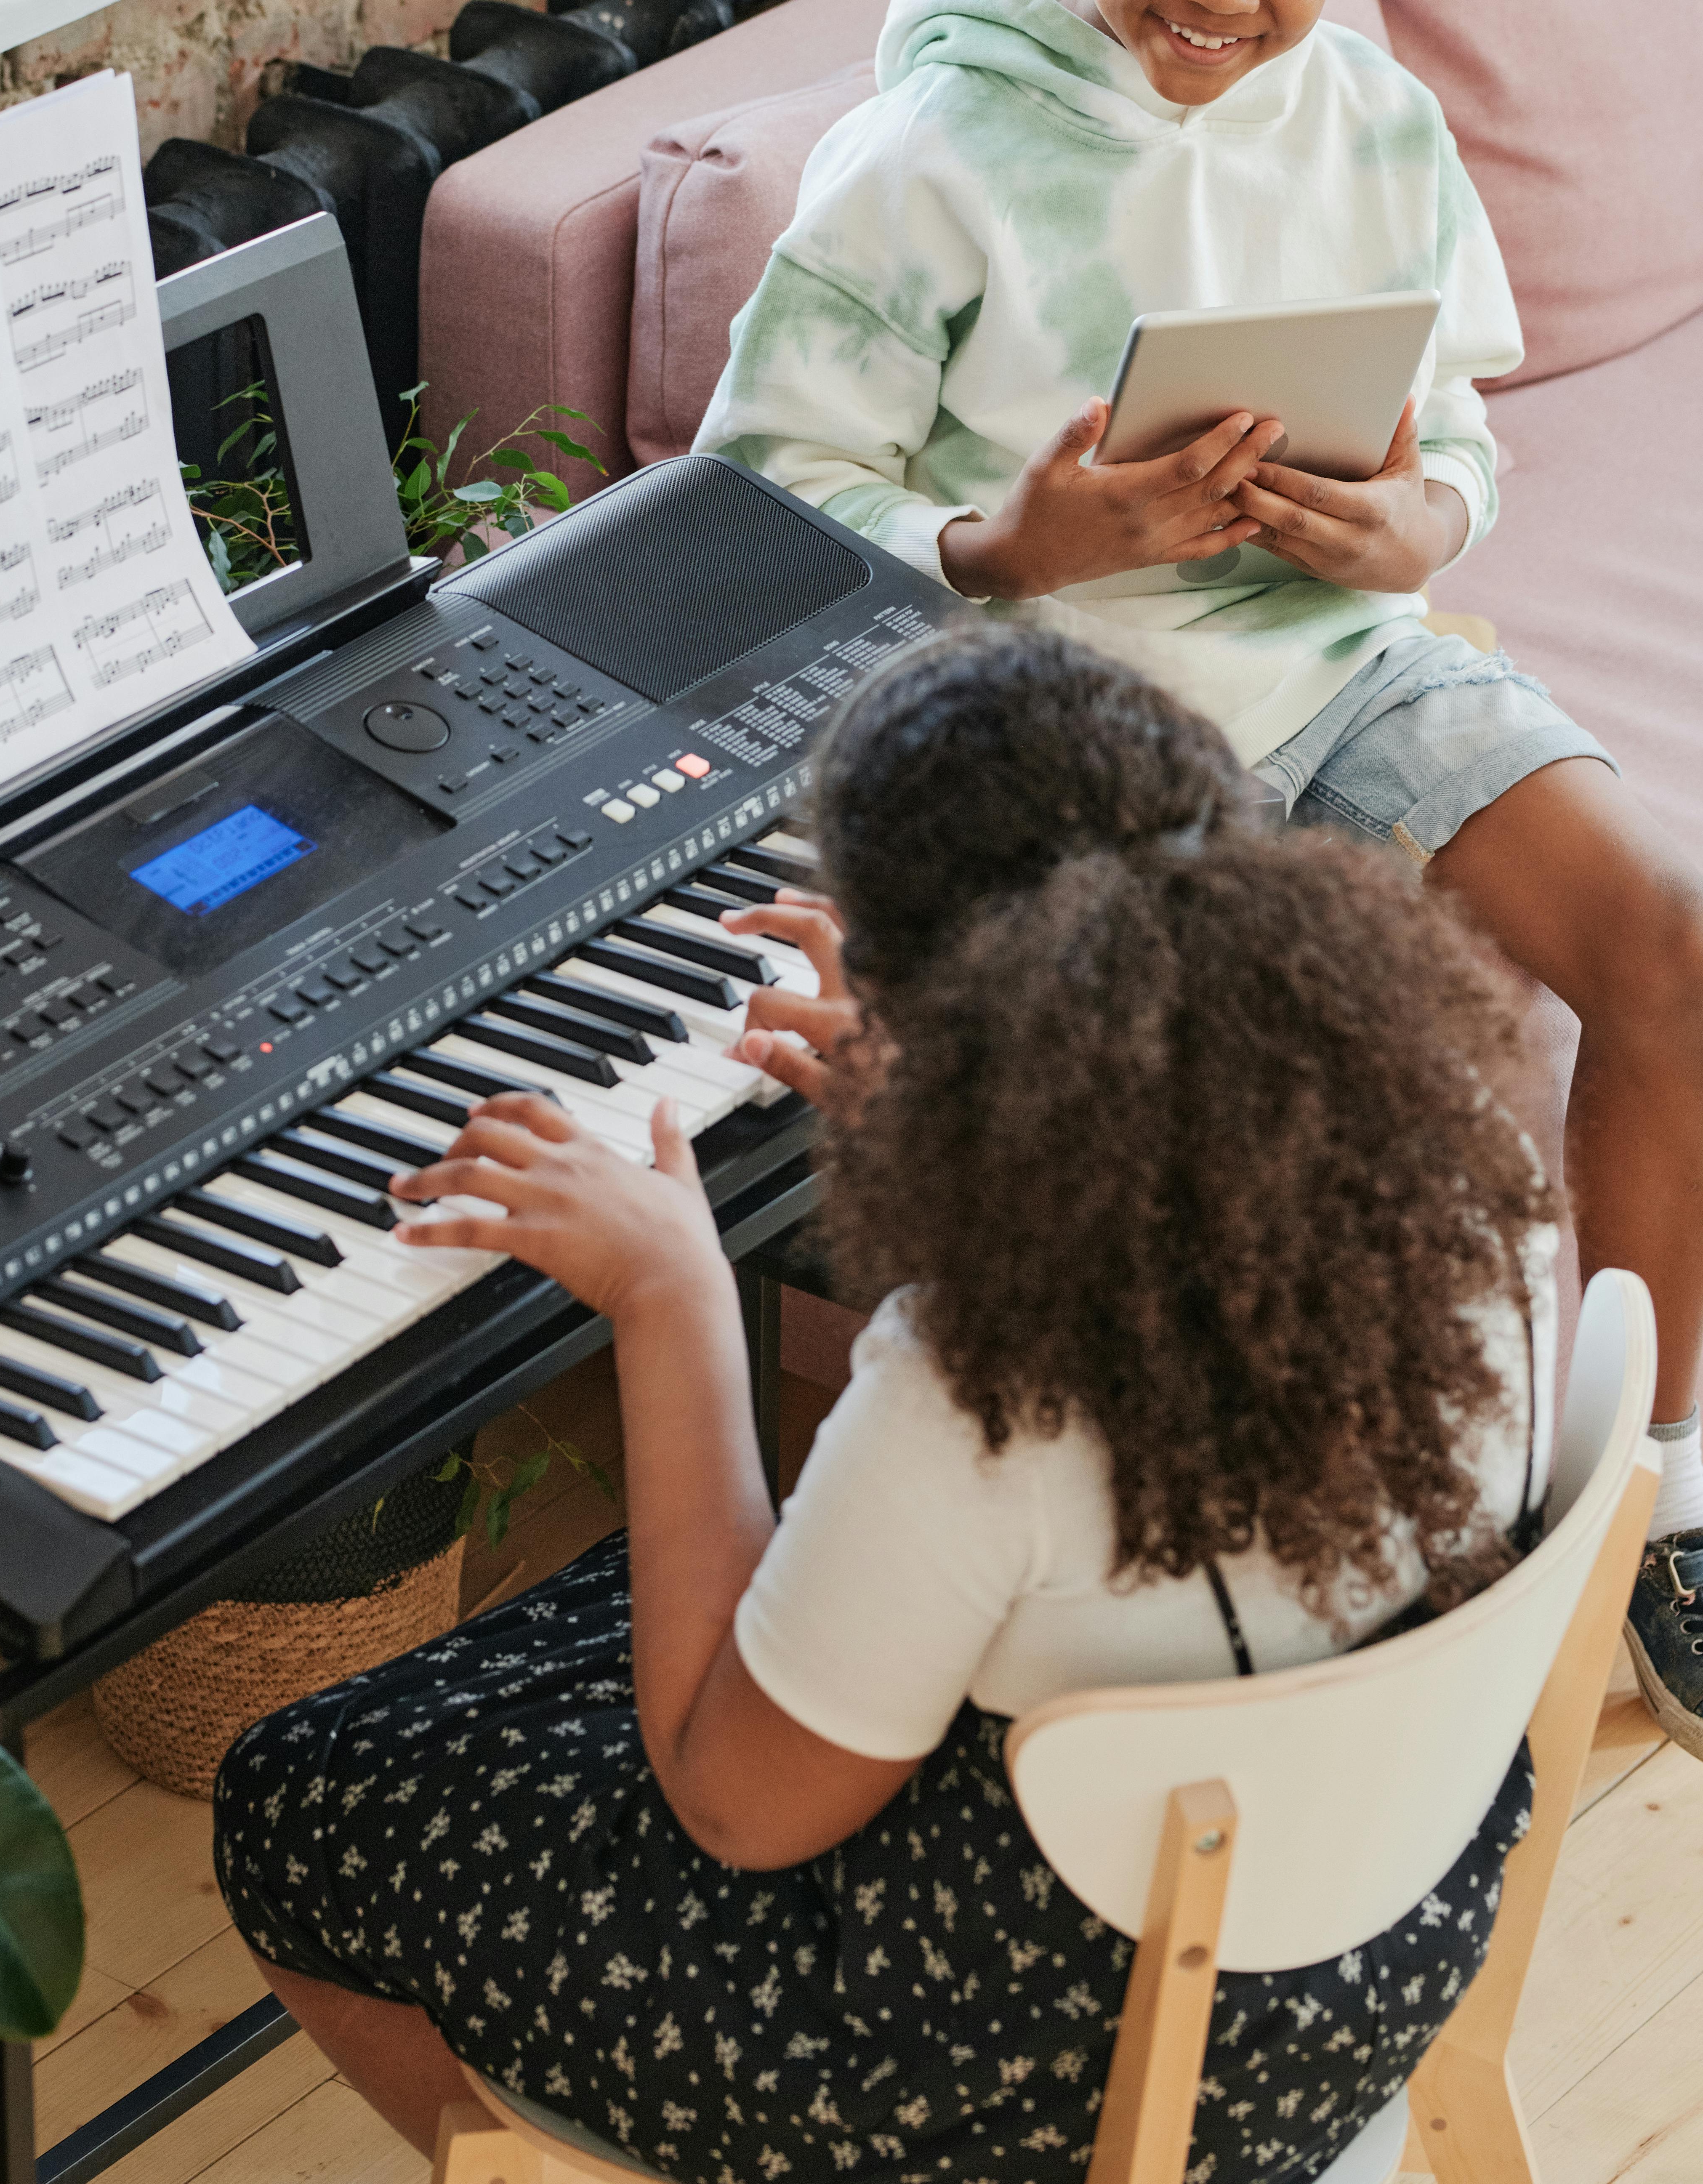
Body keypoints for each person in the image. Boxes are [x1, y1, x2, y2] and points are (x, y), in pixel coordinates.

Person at [692, 0, 1703, 1781]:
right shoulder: (920, 160)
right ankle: (1039, 1638)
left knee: (1667, 944)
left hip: (1344, 667)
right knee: (1211, 1153)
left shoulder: (1370, 120)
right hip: (1070, 744)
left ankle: (1660, 1493)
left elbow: (1458, 430)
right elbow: (745, 501)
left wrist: (1414, 523)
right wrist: (1010, 541)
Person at [214, 632, 1561, 2184]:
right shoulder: (1477, 1171)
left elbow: (732, 1810)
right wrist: (961, 1133)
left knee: (295, 1799)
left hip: (1047, 2080)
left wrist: (671, 1302)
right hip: (1380, 1936)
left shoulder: (980, 1391)